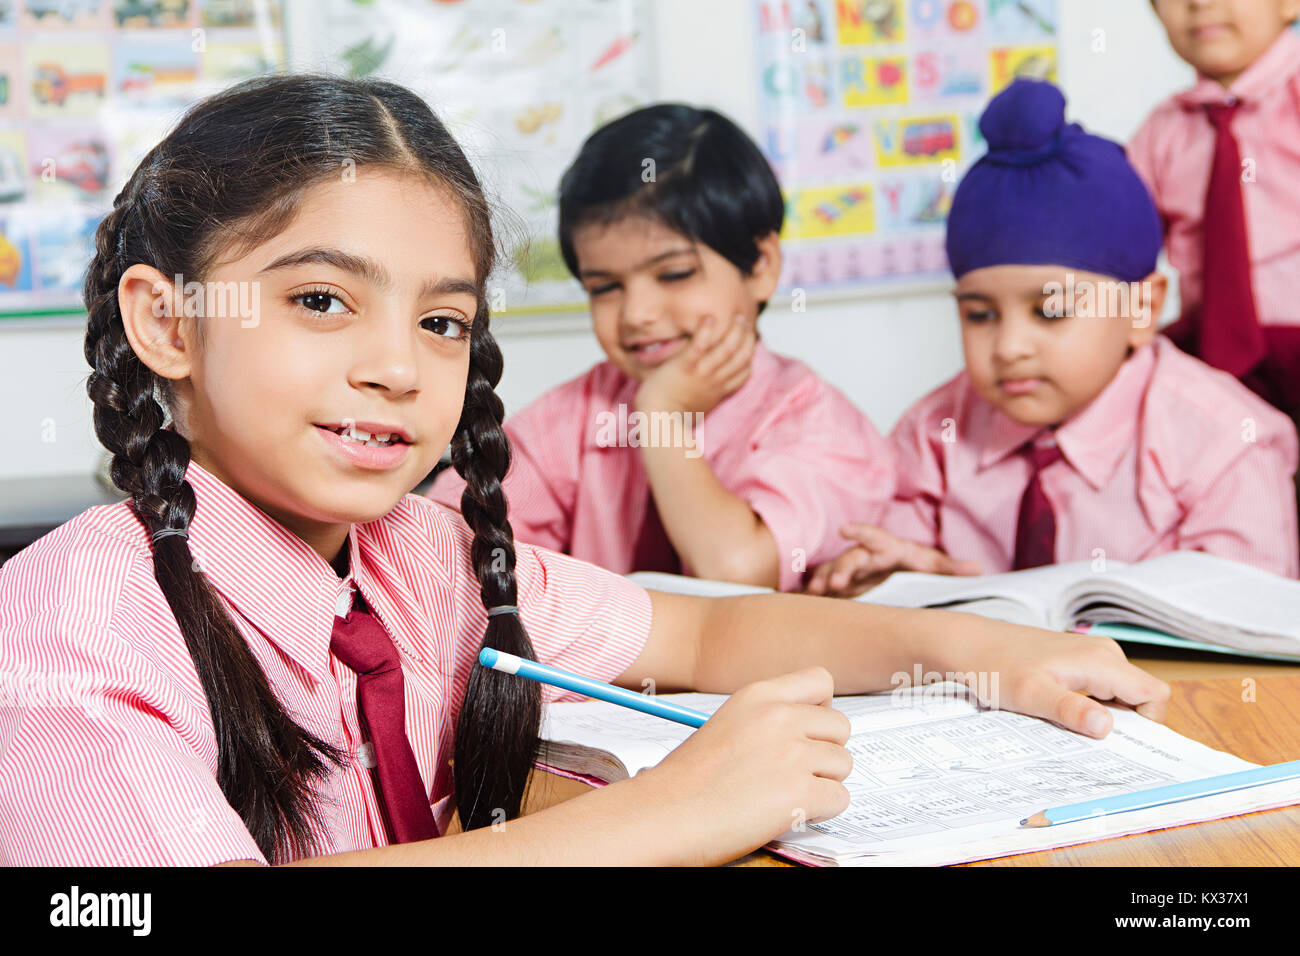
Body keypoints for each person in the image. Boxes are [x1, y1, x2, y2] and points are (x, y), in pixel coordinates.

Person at [0, 74, 1168, 866]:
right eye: (321, 300)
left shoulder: (420, 555)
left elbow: (703, 633)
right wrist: (668, 815)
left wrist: (988, 652)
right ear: (167, 321)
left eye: (443, 322)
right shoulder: (72, 624)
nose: (397, 369)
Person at [808, 79, 1298, 598]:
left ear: (1140, 308)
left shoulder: (1226, 447)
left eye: (1051, 311)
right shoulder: (934, 437)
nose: (1008, 347)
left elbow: (1246, 625)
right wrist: (895, 580)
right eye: (980, 315)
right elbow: (884, 577)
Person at [429, 104, 894, 590]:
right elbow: (443, 540)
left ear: (761, 265)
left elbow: (735, 572)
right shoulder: (576, 416)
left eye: (674, 274)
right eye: (605, 286)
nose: (637, 314)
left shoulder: (818, 423)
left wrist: (662, 418)